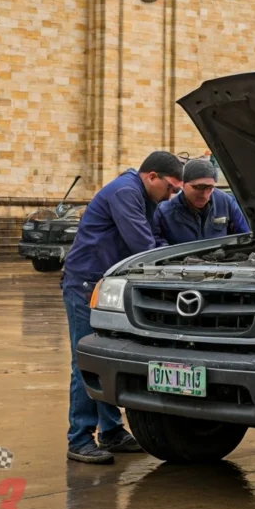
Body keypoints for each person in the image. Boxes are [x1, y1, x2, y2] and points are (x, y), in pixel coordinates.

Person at [61, 152, 184, 464]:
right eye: (170, 188)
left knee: (108, 360)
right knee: (87, 361)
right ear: (152, 176)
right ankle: (79, 438)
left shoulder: (146, 196)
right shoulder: (125, 192)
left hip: (109, 289)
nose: (172, 196)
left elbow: (156, 236)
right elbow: (143, 245)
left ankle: (112, 431)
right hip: (86, 286)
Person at [153, 159, 250, 245]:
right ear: (183, 184)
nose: (204, 194)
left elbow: (244, 238)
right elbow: (157, 244)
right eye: (198, 187)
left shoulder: (226, 202)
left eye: (209, 188)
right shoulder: (165, 212)